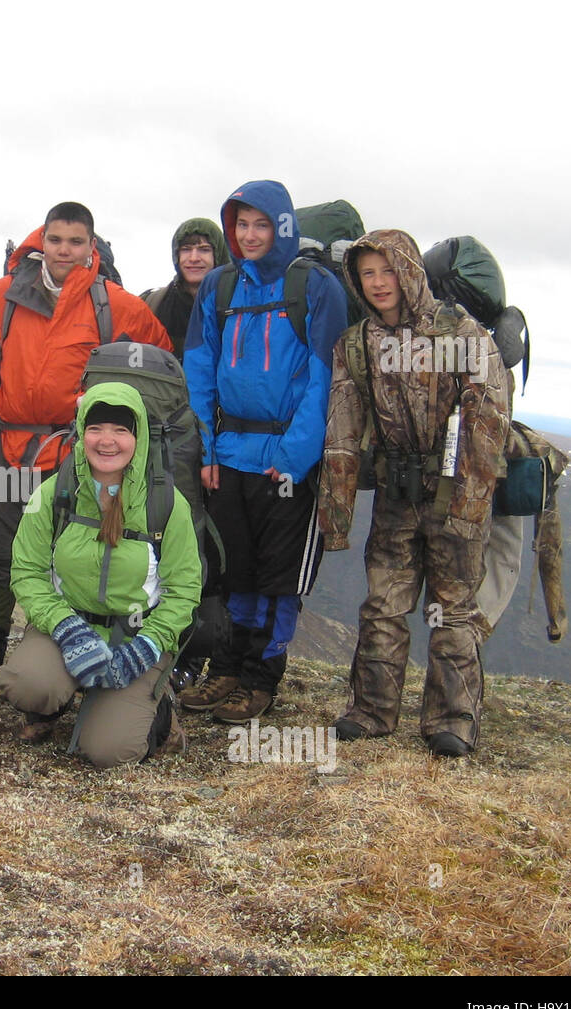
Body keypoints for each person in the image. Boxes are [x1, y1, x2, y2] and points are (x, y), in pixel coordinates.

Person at [319, 229, 510, 757]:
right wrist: (334, 515)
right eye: (367, 274)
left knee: (452, 605)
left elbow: (490, 413)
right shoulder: (355, 343)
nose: (378, 283)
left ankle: (452, 719)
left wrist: (470, 499)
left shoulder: (459, 332)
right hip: (396, 490)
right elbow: (341, 427)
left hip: (458, 488)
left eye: (386, 270)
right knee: (383, 601)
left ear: (408, 270)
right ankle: (371, 709)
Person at [0, 201, 171, 675]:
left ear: (90, 246)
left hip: (74, 446)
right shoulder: (7, 294)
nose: (64, 250)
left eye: (76, 242)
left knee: (69, 542)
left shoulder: (112, 302)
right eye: (56, 240)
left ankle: (60, 645)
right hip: (9, 439)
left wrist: (114, 401)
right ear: (42, 239)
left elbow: (158, 352)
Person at [180, 179, 347, 722]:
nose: (249, 236)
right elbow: (199, 369)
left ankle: (259, 679)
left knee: (277, 579)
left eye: (261, 224)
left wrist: (296, 457)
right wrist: (205, 448)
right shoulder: (219, 288)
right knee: (232, 572)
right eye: (240, 225)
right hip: (228, 453)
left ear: (283, 226)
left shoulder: (317, 287)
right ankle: (226, 669)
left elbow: (324, 378)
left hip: (284, 459)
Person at [0, 383, 201, 766]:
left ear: (138, 437)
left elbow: (185, 589)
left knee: (108, 752)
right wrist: (67, 628)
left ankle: (158, 713)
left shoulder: (166, 505)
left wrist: (149, 646)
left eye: (121, 430)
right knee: (27, 685)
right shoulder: (54, 495)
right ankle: (49, 706)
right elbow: (27, 572)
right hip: (67, 628)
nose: (107, 441)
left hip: (136, 637)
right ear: (80, 433)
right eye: (95, 429)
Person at [140, 218, 230, 358]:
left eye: (204, 250)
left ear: (218, 255)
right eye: (186, 249)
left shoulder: (238, 303)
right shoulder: (152, 304)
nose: (194, 258)